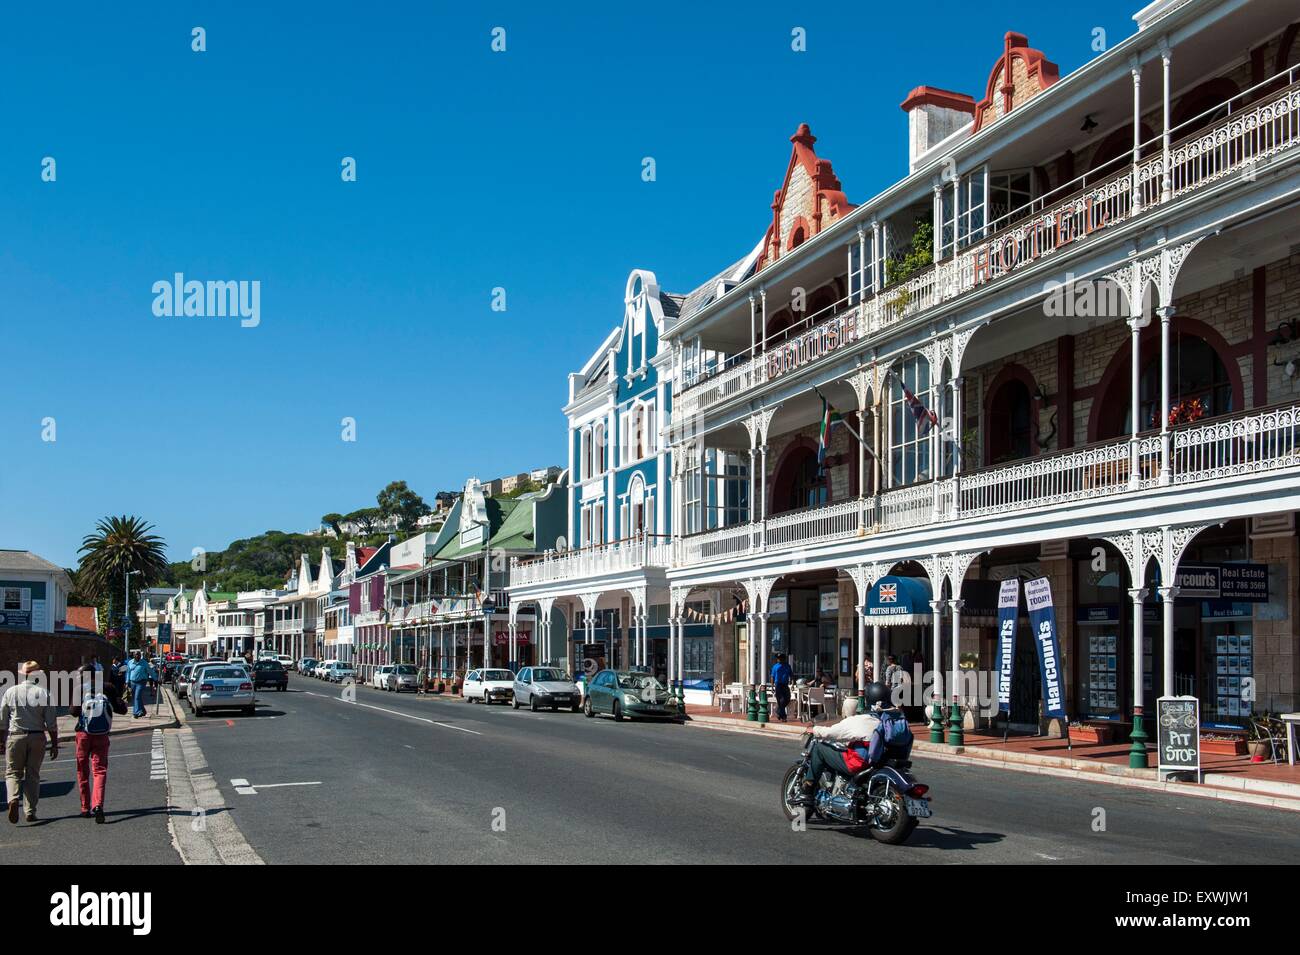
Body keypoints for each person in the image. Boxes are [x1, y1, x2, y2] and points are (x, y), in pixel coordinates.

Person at [799, 682, 913, 806]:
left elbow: (830, 733)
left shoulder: (861, 720)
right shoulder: (893, 722)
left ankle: (807, 790)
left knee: (819, 749)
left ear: (868, 700)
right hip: (882, 763)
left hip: (859, 763)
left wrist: (815, 730)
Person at [1, 661, 59, 823]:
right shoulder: (44, 693)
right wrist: (54, 744)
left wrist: (1, 740)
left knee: (13, 772)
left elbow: (2, 719)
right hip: (37, 736)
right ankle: (30, 811)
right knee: (32, 774)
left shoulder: (10, 691)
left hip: (16, 735)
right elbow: (51, 722)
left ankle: (13, 798)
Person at [69, 665, 127, 823]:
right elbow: (121, 710)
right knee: (99, 771)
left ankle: (85, 807)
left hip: (83, 734)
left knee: (82, 770)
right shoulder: (108, 687)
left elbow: (74, 712)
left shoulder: (79, 689)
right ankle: (98, 805)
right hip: (101, 735)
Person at [125, 651, 153, 718]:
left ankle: (136, 712)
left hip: (141, 682)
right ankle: (143, 710)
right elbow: (128, 672)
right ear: (134, 656)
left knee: (137, 696)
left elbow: (150, 671)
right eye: (136, 655)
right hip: (132, 682)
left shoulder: (144, 663)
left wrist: (156, 679)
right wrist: (127, 682)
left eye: (139, 655)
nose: (138, 656)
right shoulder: (130, 662)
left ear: (140, 656)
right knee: (136, 698)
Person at [770, 653, 793, 722]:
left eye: (780, 658)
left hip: (785, 685)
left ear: (783, 659)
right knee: (781, 701)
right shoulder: (775, 666)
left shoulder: (787, 666)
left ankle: (778, 711)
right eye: (778, 658)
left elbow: (791, 675)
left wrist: (792, 682)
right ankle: (783, 717)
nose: (778, 660)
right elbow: (772, 676)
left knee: (787, 699)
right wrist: (772, 686)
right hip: (778, 685)